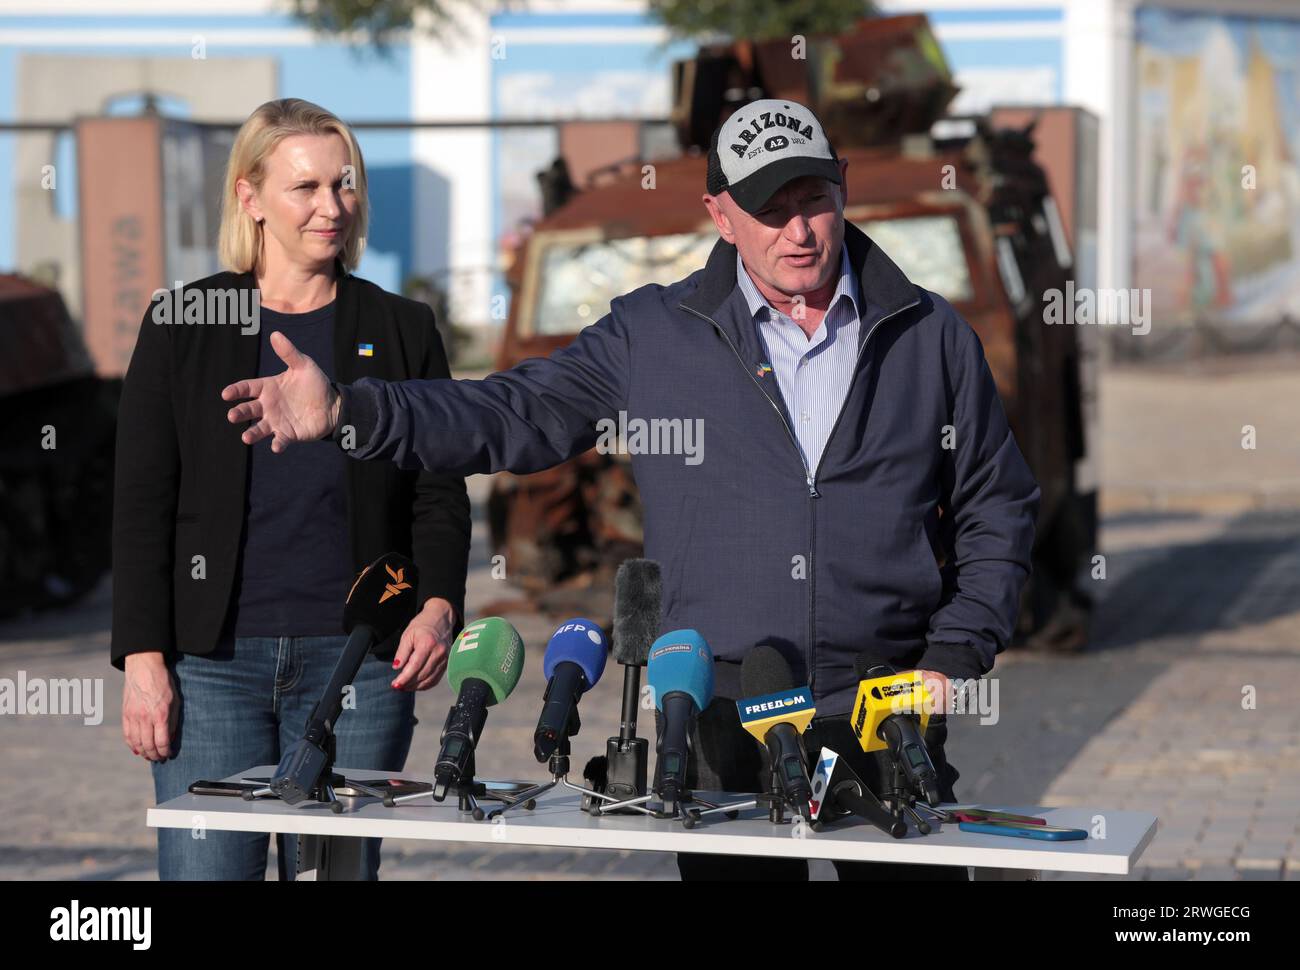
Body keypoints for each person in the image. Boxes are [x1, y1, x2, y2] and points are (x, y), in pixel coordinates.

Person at [222, 99, 1039, 880]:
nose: (798, 229)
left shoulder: (931, 336)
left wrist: (952, 653)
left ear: (844, 187)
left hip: (885, 705)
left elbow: (997, 507)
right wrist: (350, 410)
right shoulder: (653, 335)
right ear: (720, 215)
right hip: (720, 715)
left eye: (814, 199)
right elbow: (512, 412)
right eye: (769, 206)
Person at [112, 98, 471, 880]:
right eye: (304, 187)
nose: (330, 207)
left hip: (361, 667)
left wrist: (439, 606)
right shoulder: (182, 323)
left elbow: (438, 488)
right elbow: (140, 504)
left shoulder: (403, 326)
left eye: (343, 185)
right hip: (210, 669)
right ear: (249, 196)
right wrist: (143, 661)